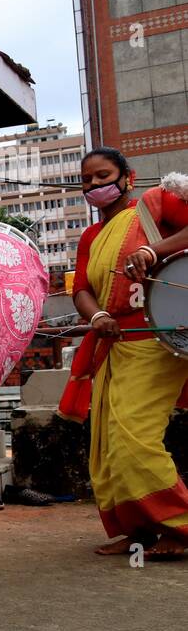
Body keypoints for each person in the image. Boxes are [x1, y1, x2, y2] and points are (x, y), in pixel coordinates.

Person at [60, 147, 188, 558]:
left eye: (103, 175)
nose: (94, 185)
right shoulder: (91, 236)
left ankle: (180, 524)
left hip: (157, 341)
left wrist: (156, 250)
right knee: (109, 445)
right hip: (112, 347)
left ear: (127, 178)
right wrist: (96, 314)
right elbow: (80, 288)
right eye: (86, 180)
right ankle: (141, 530)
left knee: (134, 438)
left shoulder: (153, 206)